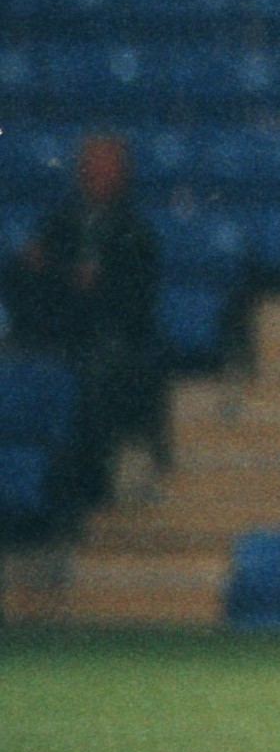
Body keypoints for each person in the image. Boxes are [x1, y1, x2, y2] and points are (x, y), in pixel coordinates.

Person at [0, 133, 163, 506]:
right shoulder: (58, 222)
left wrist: (68, 279)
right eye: (91, 164)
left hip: (108, 340)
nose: (97, 173)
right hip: (53, 332)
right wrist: (71, 279)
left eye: (107, 165)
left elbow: (130, 299)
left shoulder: (136, 232)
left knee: (95, 374)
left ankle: (82, 491)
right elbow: (25, 275)